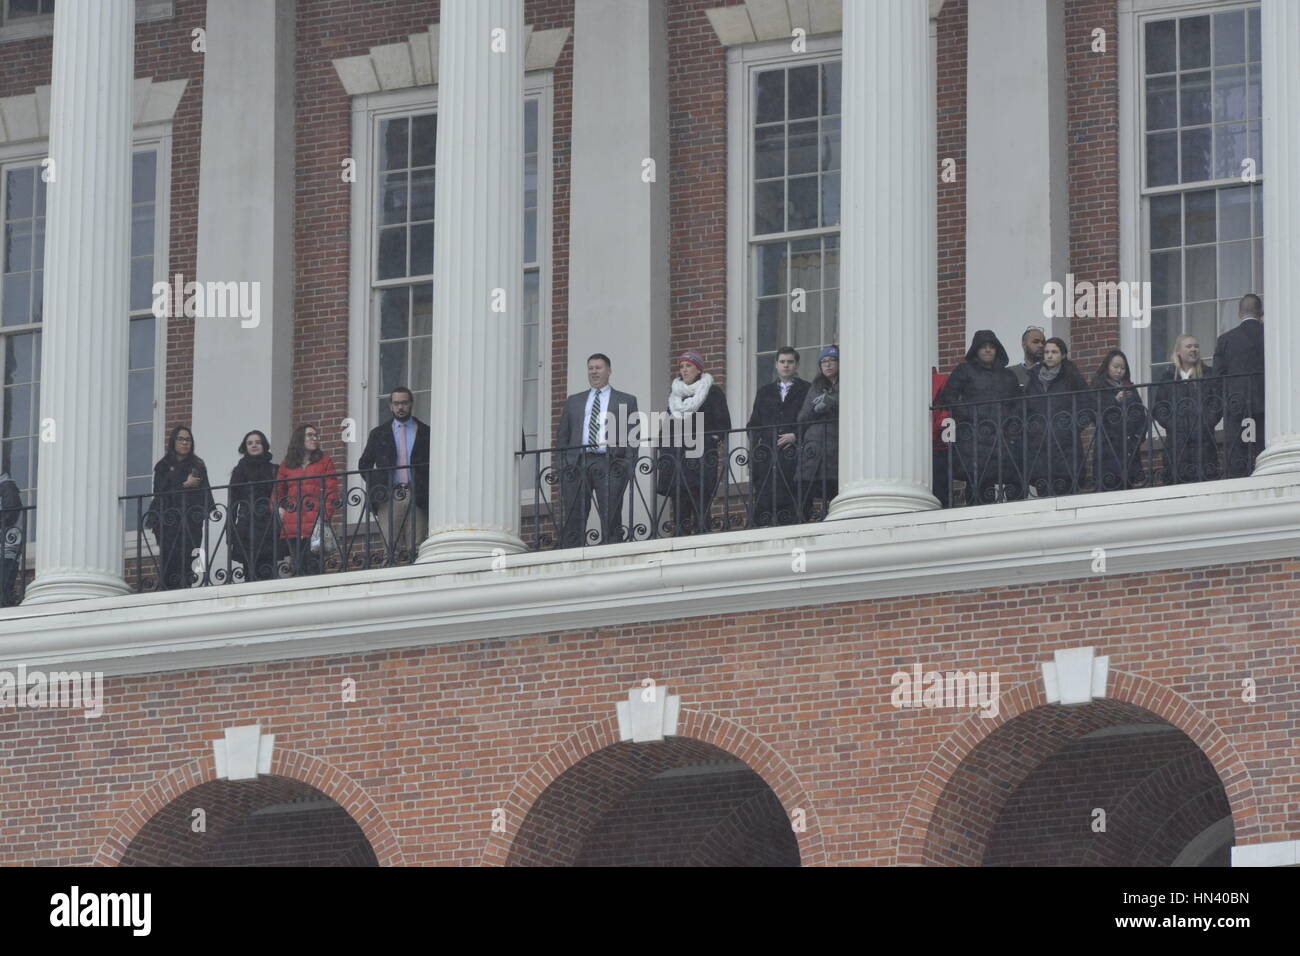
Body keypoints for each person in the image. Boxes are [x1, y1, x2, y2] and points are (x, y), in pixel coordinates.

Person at [555, 353, 640, 547]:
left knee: (611, 512)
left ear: (609, 371)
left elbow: (633, 436)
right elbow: (562, 435)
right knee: (574, 513)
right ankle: (572, 552)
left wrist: (627, 465)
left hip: (609, 462)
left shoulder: (626, 400)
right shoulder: (574, 401)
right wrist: (562, 465)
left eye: (598, 368)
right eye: (590, 368)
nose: (594, 372)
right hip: (577, 463)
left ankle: (612, 550)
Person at [936, 331, 1023, 504]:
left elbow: (1018, 402)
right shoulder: (964, 371)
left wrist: (1010, 422)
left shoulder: (1008, 375)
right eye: (983, 347)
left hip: (1002, 435)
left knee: (1010, 479)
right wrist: (969, 414)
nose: (988, 350)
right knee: (977, 483)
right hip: (974, 436)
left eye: (991, 347)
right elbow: (948, 397)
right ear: (976, 350)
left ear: (997, 349)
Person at [656, 350, 731, 535]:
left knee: (701, 507)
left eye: (688, 366)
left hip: (700, 457)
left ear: (698, 369)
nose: (684, 370)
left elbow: (723, 424)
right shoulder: (676, 396)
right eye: (681, 366)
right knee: (679, 509)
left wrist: (710, 439)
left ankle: (702, 537)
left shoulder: (712, 392)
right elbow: (668, 426)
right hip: (678, 459)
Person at [358, 386, 431, 560]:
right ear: (390, 406)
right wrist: (381, 484)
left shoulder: (426, 432)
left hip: (418, 494)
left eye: (404, 403)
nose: (400, 407)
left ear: (411, 404)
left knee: (418, 546)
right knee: (390, 547)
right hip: (390, 495)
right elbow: (364, 464)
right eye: (396, 404)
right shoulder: (379, 434)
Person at [746, 347, 810, 526]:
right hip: (768, 457)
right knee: (766, 500)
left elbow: (812, 421)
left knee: (795, 501)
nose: (786, 365)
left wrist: (796, 436)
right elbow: (753, 424)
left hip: (795, 455)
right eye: (782, 362)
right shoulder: (764, 392)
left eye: (790, 362)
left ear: (797, 365)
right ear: (776, 365)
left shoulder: (807, 389)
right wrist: (759, 447)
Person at [146, 426, 214, 590]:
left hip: (191, 521)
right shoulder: (163, 465)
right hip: (168, 521)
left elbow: (206, 494)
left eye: (188, 440)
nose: (185, 443)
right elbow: (159, 492)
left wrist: (201, 514)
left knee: (191, 557)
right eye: (181, 439)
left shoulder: (198, 465)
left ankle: (188, 586)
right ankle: (168, 590)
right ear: (173, 442)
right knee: (170, 559)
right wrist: (185, 484)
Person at [1024, 337, 1089, 498]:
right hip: (1039, 445)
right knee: (1044, 495)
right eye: (1046, 352)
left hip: (1066, 446)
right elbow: (1026, 408)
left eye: (1054, 352)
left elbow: (1087, 404)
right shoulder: (1033, 378)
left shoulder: (1072, 377)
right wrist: (1031, 430)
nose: (1049, 355)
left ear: (1063, 355)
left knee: (1067, 495)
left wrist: (1072, 428)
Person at [1152, 334, 1221, 484]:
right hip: (1177, 444)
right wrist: (1173, 424)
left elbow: (1217, 403)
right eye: (1189, 346)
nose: (1194, 349)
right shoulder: (1168, 378)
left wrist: (1206, 422)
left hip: (1203, 441)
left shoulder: (1208, 374)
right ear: (1178, 351)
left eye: (1196, 346)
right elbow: (1160, 407)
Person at [275, 424, 340, 577]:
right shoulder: (287, 465)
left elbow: (331, 491)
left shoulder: (325, 461)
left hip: (316, 523)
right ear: (299, 438)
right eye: (310, 435)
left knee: (314, 566)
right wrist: (279, 509)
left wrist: (325, 515)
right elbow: (277, 491)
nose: (314, 438)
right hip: (292, 523)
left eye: (315, 435)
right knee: (298, 567)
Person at [1214, 293, 1265, 477]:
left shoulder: (1225, 339)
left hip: (1236, 406)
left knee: (1238, 458)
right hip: (1267, 406)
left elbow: (1217, 378)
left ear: (1239, 313)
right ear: (1261, 313)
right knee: (1264, 451)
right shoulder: (1272, 335)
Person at [1089, 349, 1149, 491]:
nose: (1119, 371)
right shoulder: (1099, 388)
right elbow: (1095, 415)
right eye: (1115, 367)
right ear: (1107, 366)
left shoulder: (1130, 388)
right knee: (1108, 488)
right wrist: (1115, 400)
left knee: (1129, 488)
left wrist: (1137, 437)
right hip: (1107, 448)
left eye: (1123, 368)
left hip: (1129, 447)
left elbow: (1141, 414)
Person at [795, 345, 840, 519]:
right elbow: (802, 417)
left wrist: (833, 401)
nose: (827, 364)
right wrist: (816, 409)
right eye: (823, 362)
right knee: (806, 485)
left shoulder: (848, 382)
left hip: (837, 445)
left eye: (832, 360)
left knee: (834, 487)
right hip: (814, 448)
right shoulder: (816, 386)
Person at [228, 430, 280, 582]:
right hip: (247, 526)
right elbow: (233, 501)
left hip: (268, 524)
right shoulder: (239, 470)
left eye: (257, 442)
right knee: (249, 572)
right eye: (250, 443)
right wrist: (230, 531)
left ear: (264, 445)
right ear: (245, 447)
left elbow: (279, 496)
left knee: (269, 570)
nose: (254, 445)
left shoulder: (273, 469)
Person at [0, 470, 24, 606]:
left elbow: (10, 514)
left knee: (5, 573)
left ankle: (5, 599)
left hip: (8, 542)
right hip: (6, 541)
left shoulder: (7, 487)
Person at [931, 366, 950, 507]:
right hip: (932, 439)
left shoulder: (941, 380)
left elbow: (946, 409)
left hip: (938, 443)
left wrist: (938, 429)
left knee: (940, 485)